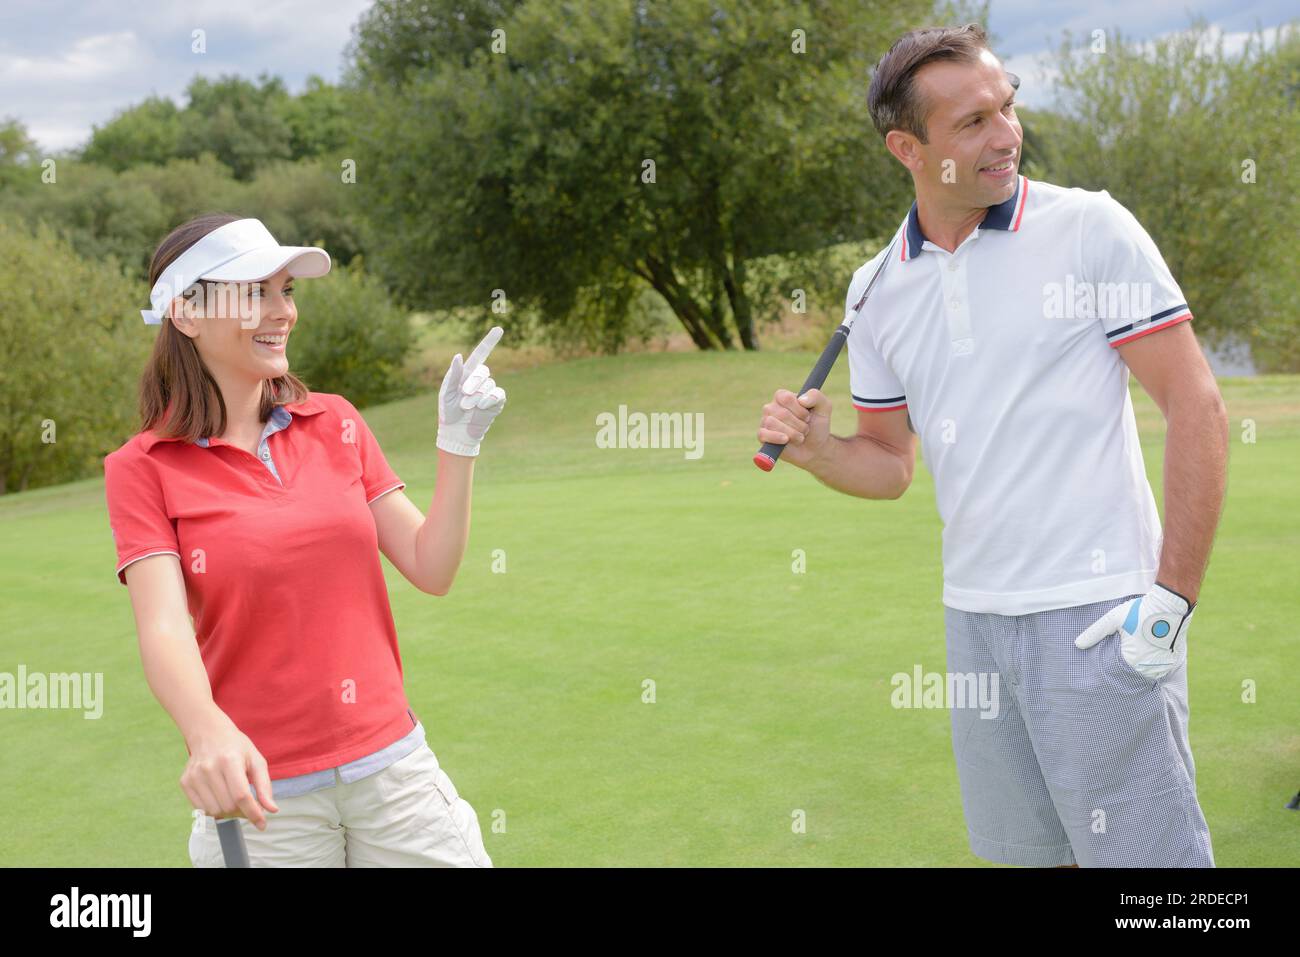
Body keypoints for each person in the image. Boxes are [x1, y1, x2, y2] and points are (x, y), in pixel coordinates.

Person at [757, 24, 1227, 867]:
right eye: (973, 122)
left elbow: (1194, 403)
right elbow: (891, 463)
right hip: (975, 622)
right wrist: (822, 451)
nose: (1007, 133)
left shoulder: (1091, 229)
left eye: (1007, 105)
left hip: (1101, 611)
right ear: (908, 147)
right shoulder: (876, 289)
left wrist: (1170, 600)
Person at [104, 213, 507, 866]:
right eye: (253, 292)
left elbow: (432, 566)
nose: (281, 311)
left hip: (394, 773)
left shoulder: (336, 423)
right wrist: (206, 735)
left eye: (286, 290)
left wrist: (458, 444)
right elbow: (163, 627)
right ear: (186, 313)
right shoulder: (143, 468)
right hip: (264, 799)